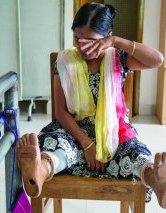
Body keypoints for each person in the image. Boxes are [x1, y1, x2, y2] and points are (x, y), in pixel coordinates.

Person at [17, 2, 165, 208]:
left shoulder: (119, 58)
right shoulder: (64, 61)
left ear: (107, 37)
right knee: (57, 145)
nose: (83, 47)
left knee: (136, 152)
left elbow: (157, 60)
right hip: (74, 131)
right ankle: (40, 169)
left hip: (113, 132)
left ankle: (155, 179)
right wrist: (87, 143)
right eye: (78, 39)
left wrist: (116, 41)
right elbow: (60, 111)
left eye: (92, 41)